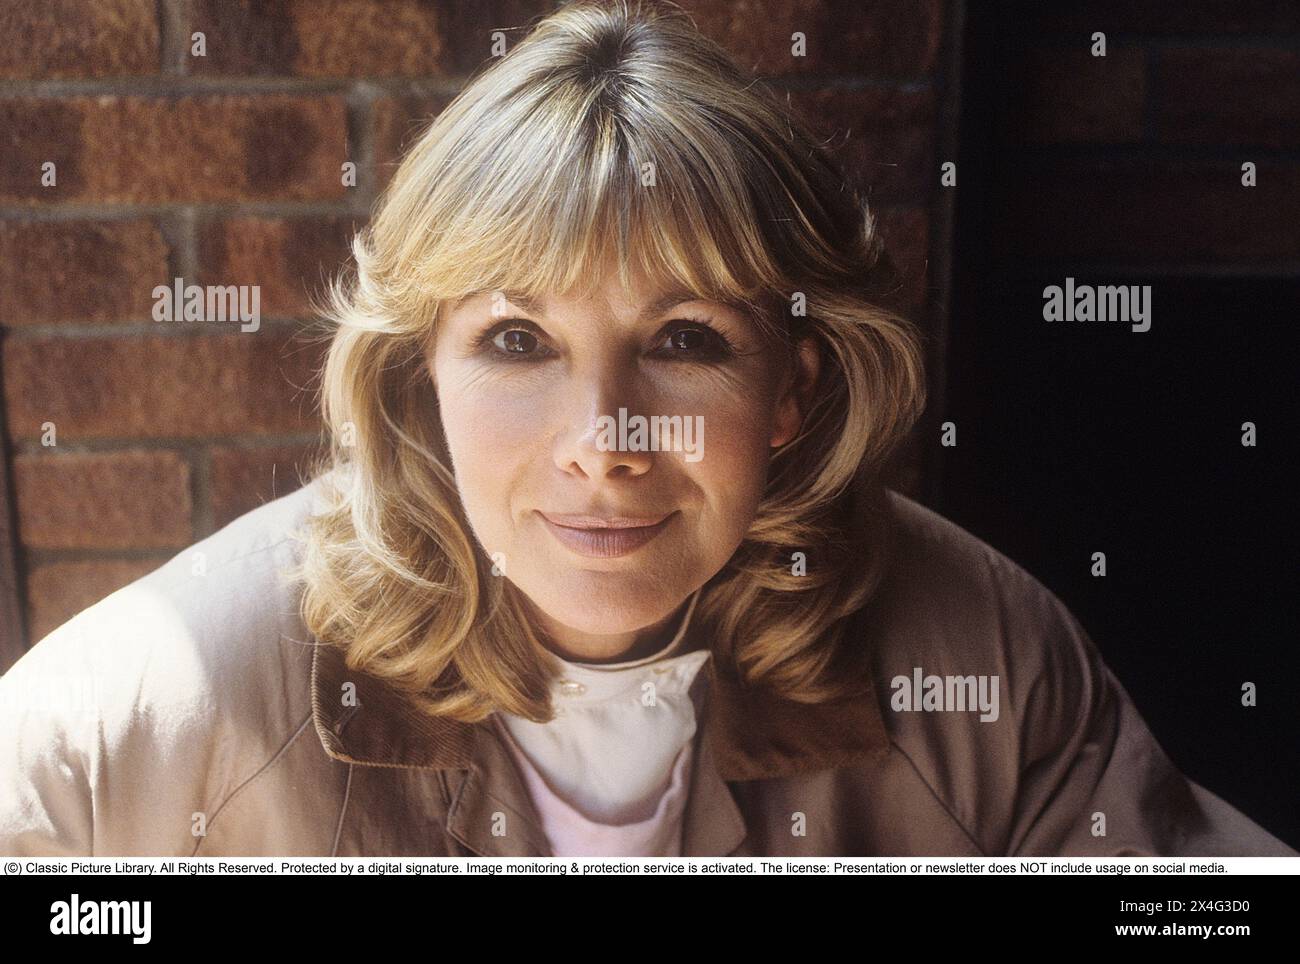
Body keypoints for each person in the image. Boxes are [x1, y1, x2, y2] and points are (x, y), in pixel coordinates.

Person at [0, 0, 1293, 859]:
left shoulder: (986, 664)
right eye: (518, 341)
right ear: (419, 380)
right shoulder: (195, 685)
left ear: (792, 386)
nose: (603, 436)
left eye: (684, 342)